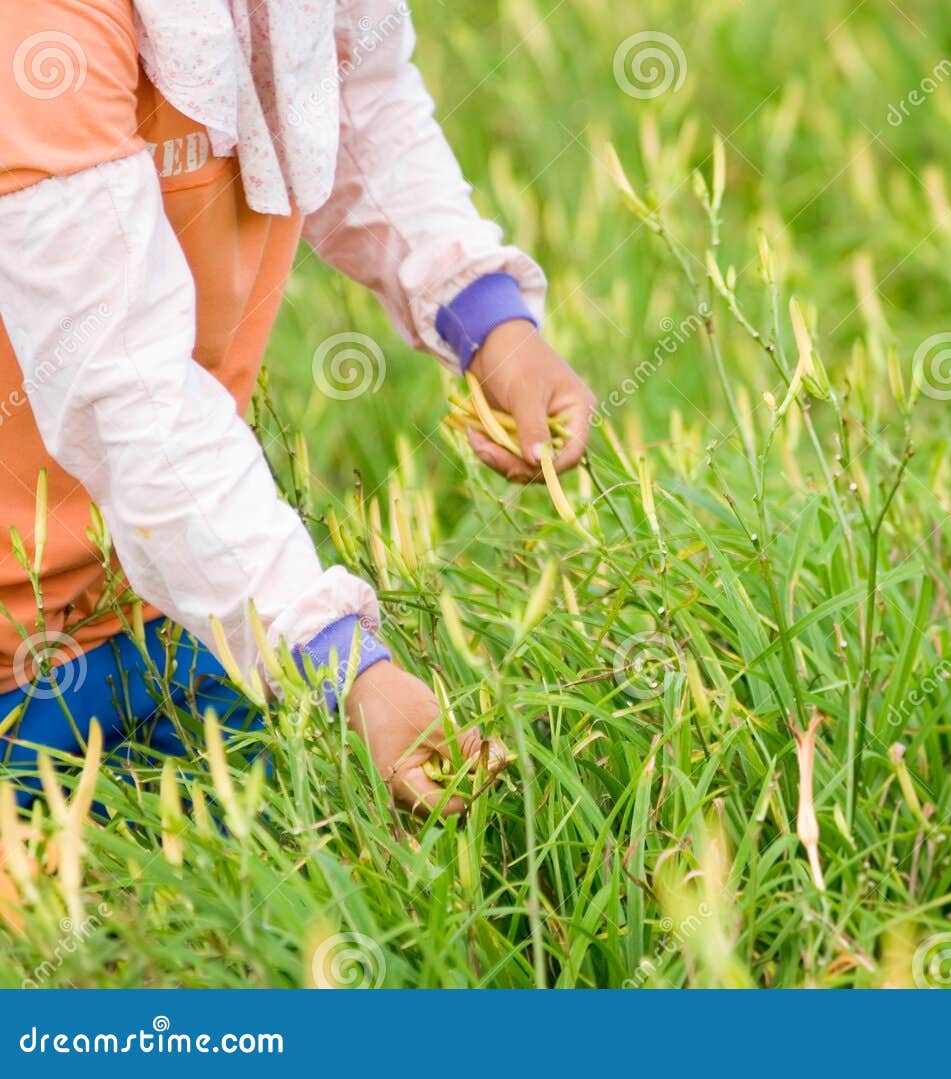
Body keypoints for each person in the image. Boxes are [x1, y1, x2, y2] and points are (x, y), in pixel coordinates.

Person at [0, 0, 596, 814]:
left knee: (340, 880)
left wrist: (488, 321)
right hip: (21, 655)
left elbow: (354, 105)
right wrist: (341, 662)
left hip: (182, 605)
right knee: (96, 933)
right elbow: (128, 395)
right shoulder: (37, 33)